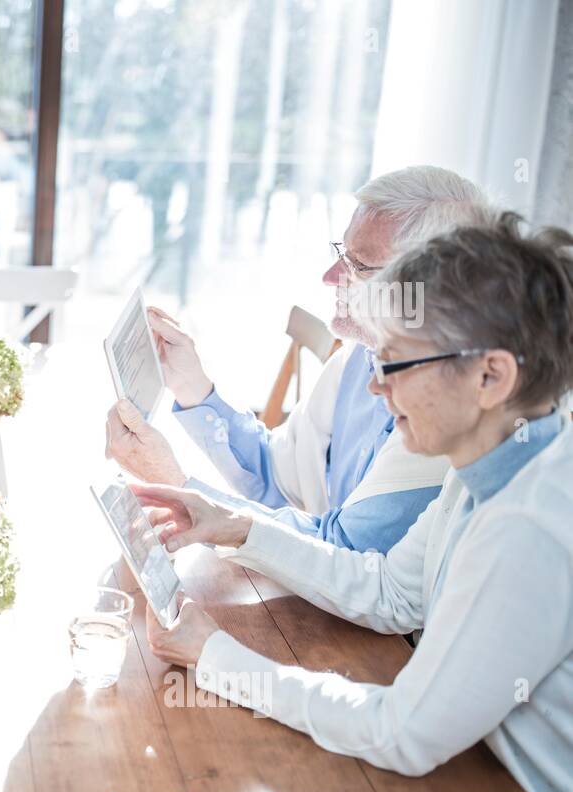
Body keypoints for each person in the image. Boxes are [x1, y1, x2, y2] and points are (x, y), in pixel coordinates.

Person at [135, 213, 573, 792]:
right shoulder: (495, 454)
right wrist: (237, 527)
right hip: (480, 774)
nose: (373, 383)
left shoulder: (530, 525)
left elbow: (403, 732)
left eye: (395, 363)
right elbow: (394, 592)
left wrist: (215, 657)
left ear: (491, 377)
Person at [106, 166, 493, 555]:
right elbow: (276, 475)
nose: (330, 276)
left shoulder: (447, 403)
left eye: (358, 264)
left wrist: (176, 487)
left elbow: (343, 552)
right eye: (342, 253)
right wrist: (193, 388)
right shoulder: (359, 357)